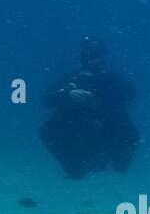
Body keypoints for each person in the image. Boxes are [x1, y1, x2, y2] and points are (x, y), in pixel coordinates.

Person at [39, 37, 139, 179]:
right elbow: (47, 100)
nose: (94, 59)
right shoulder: (73, 79)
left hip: (110, 130)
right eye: (89, 54)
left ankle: (119, 160)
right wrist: (67, 93)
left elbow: (131, 94)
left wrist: (109, 83)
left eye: (97, 54)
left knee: (129, 133)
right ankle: (74, 165)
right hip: (80, 132)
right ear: (82, 57)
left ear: (104, 56)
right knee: (48, 130)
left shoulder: (113, 77)